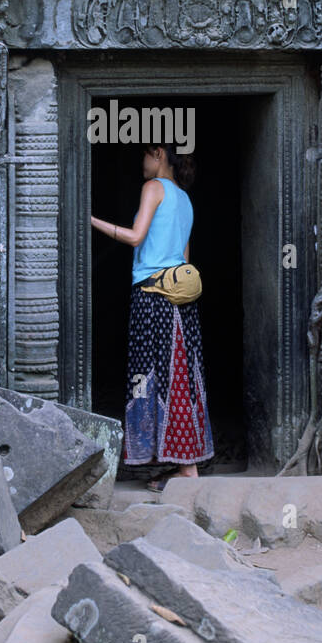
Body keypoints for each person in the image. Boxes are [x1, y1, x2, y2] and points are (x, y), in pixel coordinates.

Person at [91, 142, 213, 492]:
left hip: (152, 297)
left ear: (158, 153)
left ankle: (186, 469)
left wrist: (87, 217)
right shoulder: (186, 200)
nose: (142, 164)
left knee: (151, 377)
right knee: (179, 375)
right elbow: (183, 258)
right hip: (180, 299)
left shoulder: (153, 188)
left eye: (145, 155)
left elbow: (134, 237)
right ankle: (179, 464)